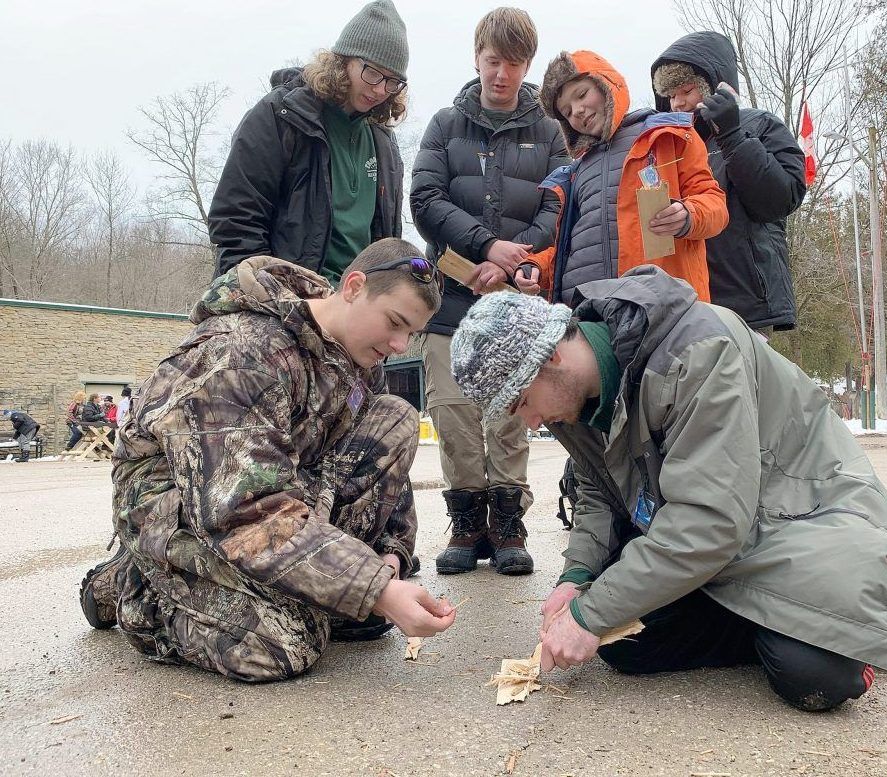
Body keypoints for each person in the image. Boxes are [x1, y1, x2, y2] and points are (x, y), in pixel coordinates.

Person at [448, 269, 887, 712]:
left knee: (814, 678)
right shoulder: (575, 397)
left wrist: (591, 613)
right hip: (718, 540)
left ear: (551, 354)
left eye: (522, 402)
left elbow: (709, 523)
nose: (532, 421)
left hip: (799, 522)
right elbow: (599, 494)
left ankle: (866, 625)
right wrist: (576, 577)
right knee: (626, 645)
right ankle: (800, 620)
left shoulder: (700, 350)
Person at [77, 238, 456, 682]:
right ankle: (135, 588)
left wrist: (388, 558)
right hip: (187, 509)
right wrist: (371, 587)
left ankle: (309, 594)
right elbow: (243, 511)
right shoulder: (241, 355)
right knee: (284, 643)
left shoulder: (352, 355)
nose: (399, 344)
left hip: (274, 497)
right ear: (353, 287)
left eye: (412, 333)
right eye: (395, 322)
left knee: (395, 418)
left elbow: (380, 473)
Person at [410, 7, 567, 575]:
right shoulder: (445, 125)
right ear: (477, 58)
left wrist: (512, 258)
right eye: (492, 60)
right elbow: (426, 201)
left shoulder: (549, 133)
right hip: (451, 295)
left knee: (508, 411)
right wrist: (484, 247)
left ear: (527, 66)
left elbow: (557, 209)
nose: (502, 74)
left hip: (517, 300)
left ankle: (507, 524)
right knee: (452, 412)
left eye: (514, 63)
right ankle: (466, 522)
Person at [209, 0, 409, 282]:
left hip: (355, 304)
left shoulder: (384, 142)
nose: (379, 89)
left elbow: (386, 238)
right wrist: (277, 295)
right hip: (285, 295)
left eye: (392, 81)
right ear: (344, 60)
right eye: (372, 72)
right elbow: (235, 221)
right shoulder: (280, 116)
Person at [522, 50, 728, 306]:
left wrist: (688, 214)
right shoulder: (575, 173)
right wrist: (538, 268)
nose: (577, 110)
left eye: (582, 94)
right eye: (566, 111)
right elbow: (575, 248)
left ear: (606, 84)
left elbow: (715, 204)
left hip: (661, 310)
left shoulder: (671, 135)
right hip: (587, 313)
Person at [651, 31, 806, 332]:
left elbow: (780, 199)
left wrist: (732, 136)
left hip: (745, 300)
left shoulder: (760, 124)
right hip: (685, 301)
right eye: (670, 96)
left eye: (687, 90)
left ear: (714, 86)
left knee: (741, 380)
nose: (678, 103)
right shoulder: (668, 148)